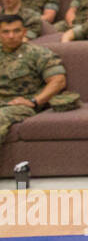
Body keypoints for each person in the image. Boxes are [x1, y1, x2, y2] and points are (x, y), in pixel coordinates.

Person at [0, 14, 68, 144]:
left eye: (16, 31)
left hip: (21, 105)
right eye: (6, 32)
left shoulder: (38, 53)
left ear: (24, 32)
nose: (11, 36)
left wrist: (35, 101)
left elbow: (58, 81)